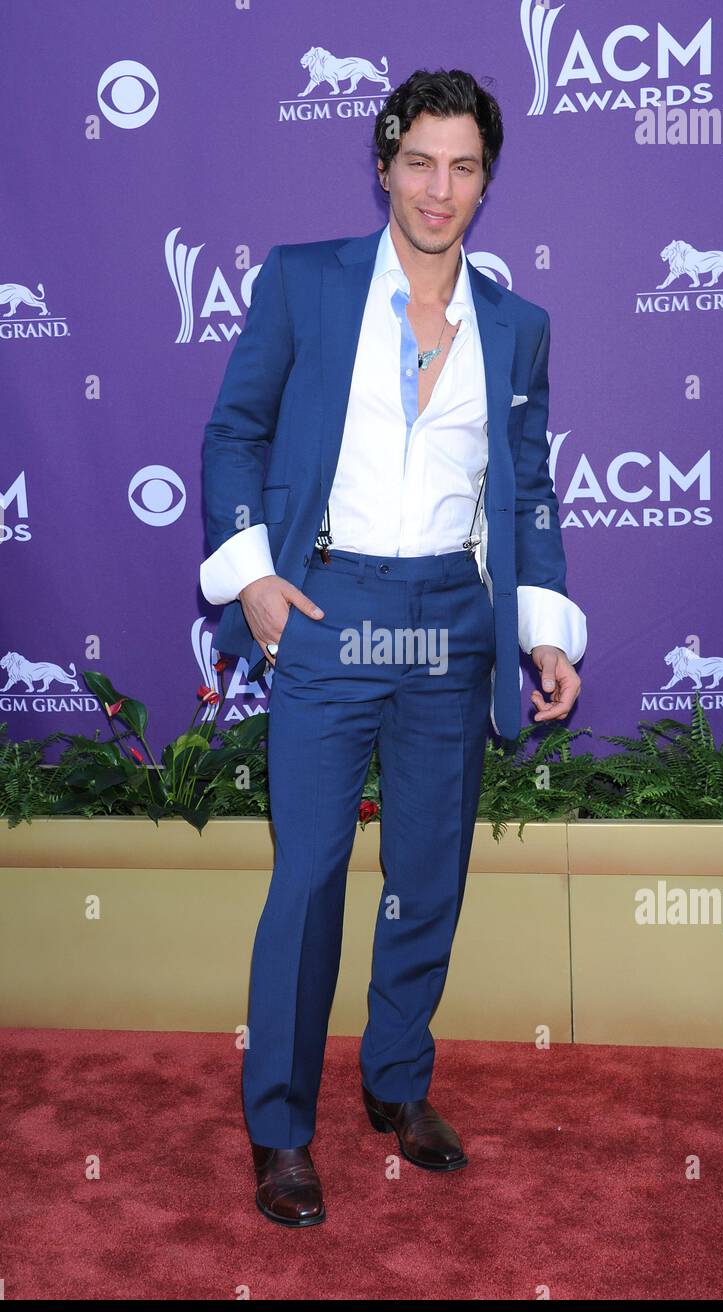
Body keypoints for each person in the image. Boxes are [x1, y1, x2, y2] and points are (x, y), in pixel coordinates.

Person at [199, 68, 587, 1228]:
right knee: (309, 877)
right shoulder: (305, 283)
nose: (439, 188)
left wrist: (540, 626)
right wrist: (253, 574)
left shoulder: (515, 328)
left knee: (427, 870)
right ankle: (279, 1125)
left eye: (464, 166)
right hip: (328, 607)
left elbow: (526, 492)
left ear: (485, 181)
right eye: (419, 160)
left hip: (449, 620)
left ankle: (396, 1086)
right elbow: (232, 432)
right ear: (382, 163)